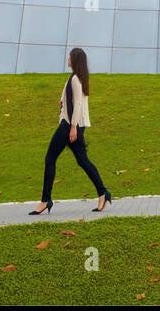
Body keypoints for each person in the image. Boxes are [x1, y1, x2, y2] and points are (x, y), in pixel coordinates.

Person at [30, 47, 114, 214]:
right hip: (73, 125)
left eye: (69, 56)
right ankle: (103, 192)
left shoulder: (75, 79)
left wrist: (73, 127)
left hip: (69, 125)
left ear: (74, 60)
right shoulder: (77, 78)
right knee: (83, 161)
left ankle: (45, 200)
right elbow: (71, 101)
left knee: (50, 158)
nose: (67, 58)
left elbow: (78, 105)